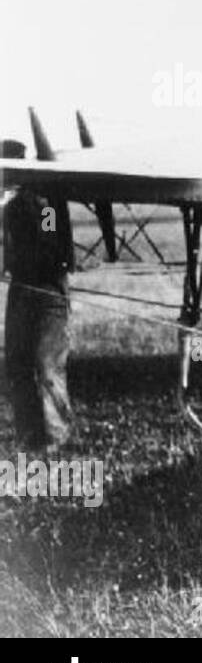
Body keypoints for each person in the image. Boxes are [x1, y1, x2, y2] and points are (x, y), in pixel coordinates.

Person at [3, 141, 75, 454]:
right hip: (21, 287)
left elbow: (49, 239)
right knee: (17, 363)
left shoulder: (45, 201)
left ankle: (56, 438)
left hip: (47, 289)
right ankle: (28, 437)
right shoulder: (9, 203)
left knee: (47, 365)